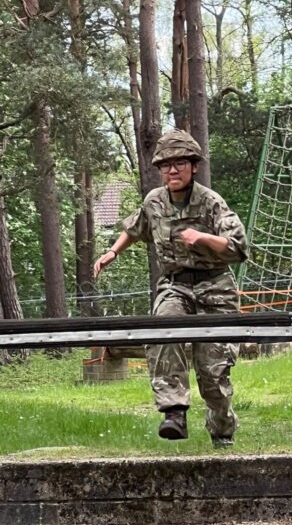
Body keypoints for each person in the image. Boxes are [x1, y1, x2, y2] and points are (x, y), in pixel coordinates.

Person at [94, 129, 248, 445]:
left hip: (215, 288)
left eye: (179, 163)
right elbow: (136, 228)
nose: (172, 170)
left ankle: (222, 431)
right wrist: (112, 252)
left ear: (193, 167)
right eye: (166, 165)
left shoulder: (210, 202)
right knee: (163, 328)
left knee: (213, 374)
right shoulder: (155, 201)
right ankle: (174, 412)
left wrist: (202, 237)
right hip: (174, 285)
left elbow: (238, 248)